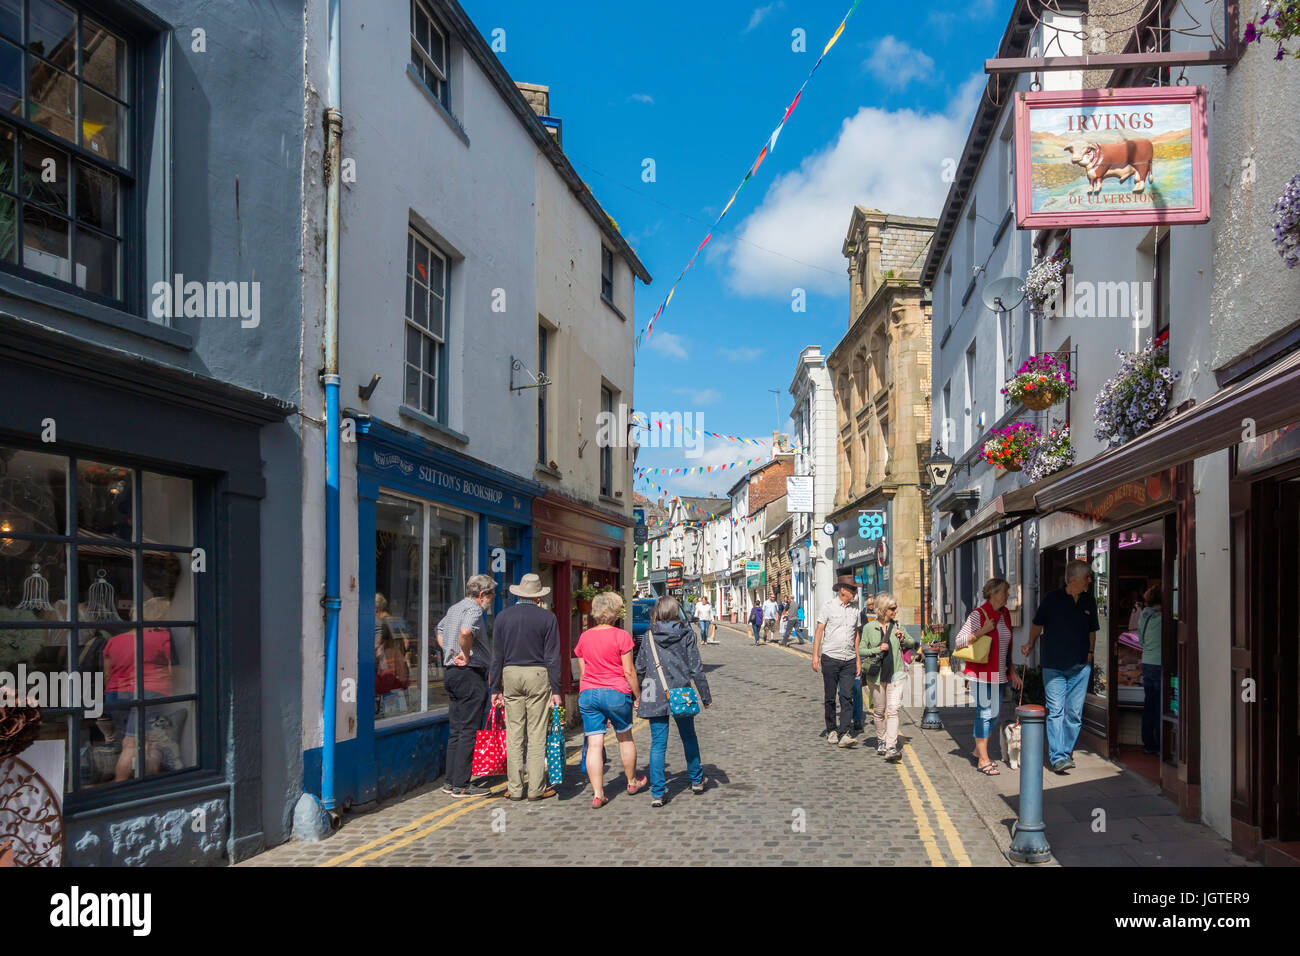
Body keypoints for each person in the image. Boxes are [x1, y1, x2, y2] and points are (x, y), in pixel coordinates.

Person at [1022, 559, 1099, 774]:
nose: (1090, 581)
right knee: (1056, 711)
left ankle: (1065, 752)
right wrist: (1030, 643)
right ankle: (1057, 757)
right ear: (1074, 579)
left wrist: (1091, 653)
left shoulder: (1088, 600)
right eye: (1087, 577)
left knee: (1074, 714)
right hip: (1054, 666)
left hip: (1080, 667)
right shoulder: (1052, 599)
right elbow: (1037, 625)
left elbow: (1092, 630)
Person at [489, 574, 562, 801]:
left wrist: (494, 689)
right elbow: (552, 657)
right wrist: (557, 689)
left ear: (518, 594)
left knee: (514, 733)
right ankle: (536, 789)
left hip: (510, 674)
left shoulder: (502, 617)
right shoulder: (547, 618)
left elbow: (496, 656)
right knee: (537, 733)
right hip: (538, 674)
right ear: (538, 597)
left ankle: (515, 788)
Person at [636, 596, 711, 807]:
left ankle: (658, 793)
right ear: (676, 612)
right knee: (688, 737)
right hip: (681, 692)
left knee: (658, 744)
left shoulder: (649, 636)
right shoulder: (686, 634)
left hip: (653, 694)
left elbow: (640, 667)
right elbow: (696, 667)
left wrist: (638, 695)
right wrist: (705, 697)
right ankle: (697, 780)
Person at [574, 591, 646, 808]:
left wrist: (583, 695)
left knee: (594, 743)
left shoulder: (584, 637)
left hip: (589, 693)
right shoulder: (621, 636)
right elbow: (629, 671)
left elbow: (583, 673)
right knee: (624, 737)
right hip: (615, 692)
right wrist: (638, 696)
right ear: (615, 613)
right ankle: (632, 782)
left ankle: (598, 794)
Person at [437, 574, 498, 796]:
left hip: (452, 674)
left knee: (456, 728)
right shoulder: (474, 609)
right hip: (469, 674)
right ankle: (462, 784)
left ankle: (450, 781)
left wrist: (449, 653)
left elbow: (440, 630)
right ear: (482, 595)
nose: (492, 600)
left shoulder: (454, 608)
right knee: (469, 730)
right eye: (491, 595)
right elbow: (465, 632)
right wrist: (464, 654)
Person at [961, 578, 1022, 775]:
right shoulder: (978, 614)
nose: (1007, 595)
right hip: (980, 674)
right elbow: (959, 641)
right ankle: (983, 760)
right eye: (1005, 592)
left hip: (999, 673)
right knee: (985, 713)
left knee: (994, 714)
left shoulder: (1004, 614)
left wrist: (1012, 672)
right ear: (994, 593)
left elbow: (1006, 647)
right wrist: (982, 631)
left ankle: (979, 750)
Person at [861, 592, 917, 761]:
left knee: (893, 711)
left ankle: (891, 746)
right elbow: (861, 650)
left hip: (896, 675)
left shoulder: (898, 625)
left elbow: (912, 643)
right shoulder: (869, 628)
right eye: (892, 608)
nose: (895, 611)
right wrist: (877, 649)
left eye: (895, 608)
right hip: (876, 676)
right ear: (883, 609)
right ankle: (881, 740)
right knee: (879, 712)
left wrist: (904, 638)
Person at [812, 576, 861, 748]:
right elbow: (819, 631)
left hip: (849, 658)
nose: (855, 593)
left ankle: (844, 733)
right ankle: (832, 729)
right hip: (830, 657)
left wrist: (858, 659)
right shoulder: (828, 606)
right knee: (830, 697)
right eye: (853, 589)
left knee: (847, 696)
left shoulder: (856, 609)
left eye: (856, 590)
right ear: (843, 590)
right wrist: (815, 655)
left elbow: (856, 634)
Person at [1138, 585, 1163, 756]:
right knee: (1161, 705)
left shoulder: (1143, 615)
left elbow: (1140, 641)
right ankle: (1161, 742)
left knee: (1149, 704)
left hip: (1147, 662)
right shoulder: (1162, 618)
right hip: (1160, 663)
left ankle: (1147, 742)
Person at [853, 594, 878, 732]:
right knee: (856, 687)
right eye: (869, 606)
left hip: (871, 654)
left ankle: (875, 713)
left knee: (873, 686)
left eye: (873, 606)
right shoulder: (861, 614)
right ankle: (856, 715)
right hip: (860, 653)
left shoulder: (880, 617)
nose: (871, 608)